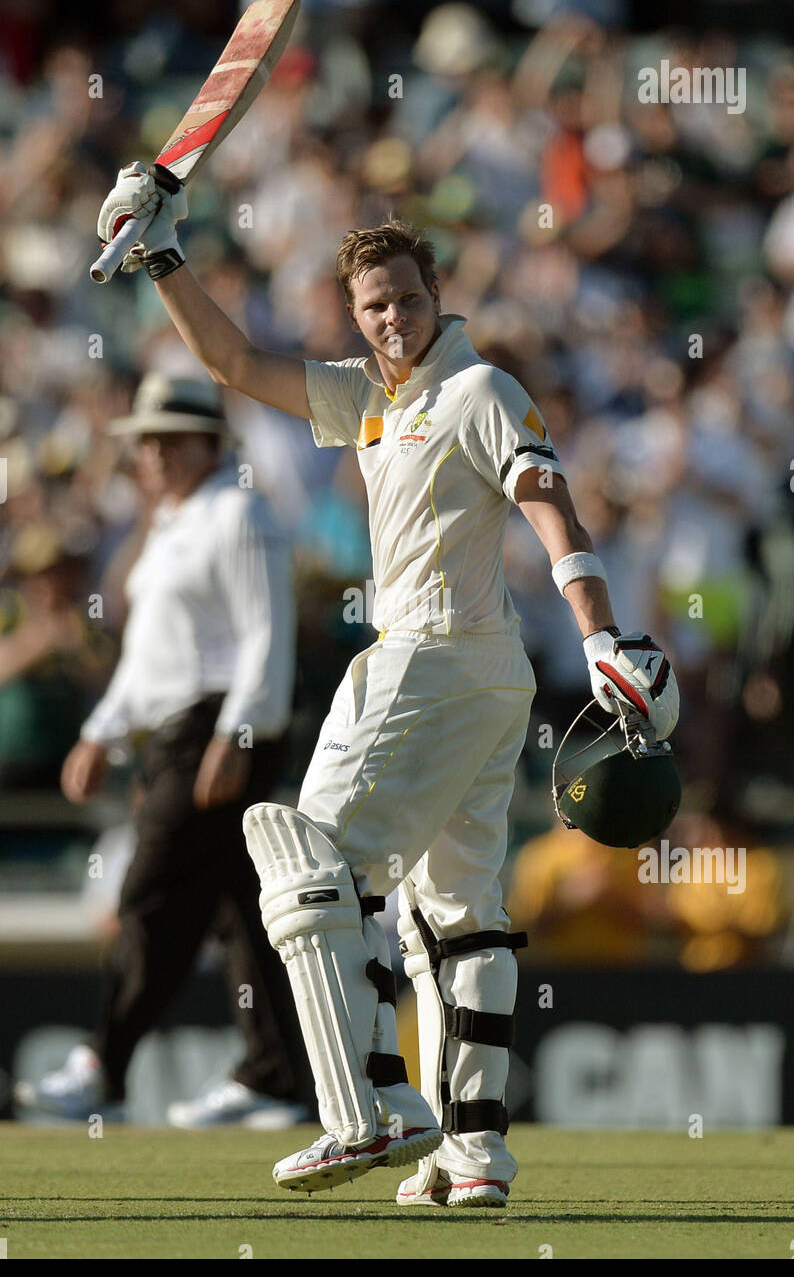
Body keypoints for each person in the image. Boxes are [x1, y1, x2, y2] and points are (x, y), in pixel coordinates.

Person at [90, 167, 679, 1207]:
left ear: (434, 292)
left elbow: (554, 510)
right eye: (373, 306)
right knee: (454, 915)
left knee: (305, 862)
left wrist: (598, 637)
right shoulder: (364, 398)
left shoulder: (476, 389)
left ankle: (368, 1108)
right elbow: (228, 360)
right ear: (352, 315)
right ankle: (474, 1153)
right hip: (466, 675)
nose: (393, 318)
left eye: (406, 298)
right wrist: (160, 256)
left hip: (440, 656)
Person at [14, 374, 311, 1130]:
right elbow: (150, 660)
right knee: (241, 912)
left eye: (172, 439)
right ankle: (274, 1075)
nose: (155, 453)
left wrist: (238, 734)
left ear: (211, 444)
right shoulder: (173, 525)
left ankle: (104, 1064)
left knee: (148, 893)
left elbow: (265, 637)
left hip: (221, 729)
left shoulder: (240, 513)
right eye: (148, 441)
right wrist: (101, 729)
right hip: (185, 731)